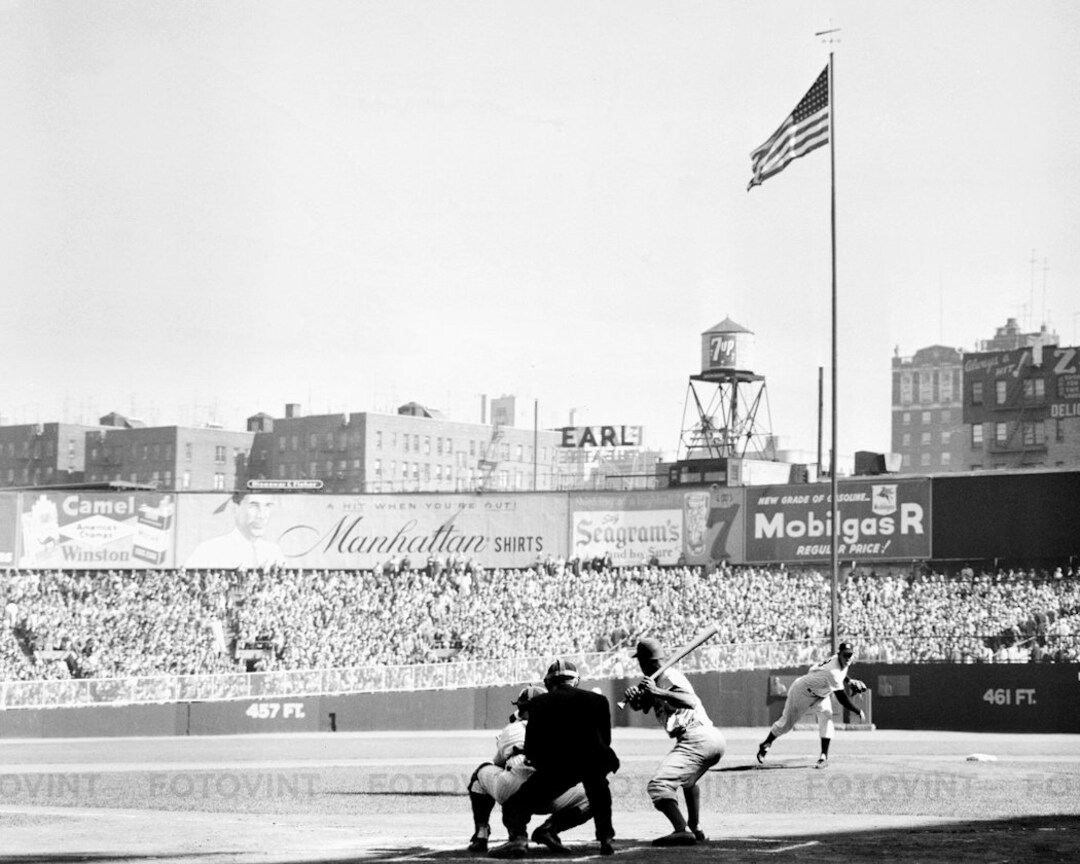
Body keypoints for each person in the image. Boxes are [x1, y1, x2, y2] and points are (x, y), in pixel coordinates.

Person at [490, 660, 619, 858]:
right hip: (592, 761)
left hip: (557, 767)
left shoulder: (538, 703)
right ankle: (605, 839)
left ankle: (518, 840)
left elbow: (533, 748)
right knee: (599, 794)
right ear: (576, 680)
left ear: (548, 682)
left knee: (514, 805)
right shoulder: (599, 701)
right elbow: (605, 741)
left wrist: (542, 769)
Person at [623, 638, 725, 846]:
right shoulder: (657, 679)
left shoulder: (669, 676)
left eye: (640, 661)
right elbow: (643, 706)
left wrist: (657, 691)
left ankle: (681, 830)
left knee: (659, 785)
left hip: (697, 737)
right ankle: (694, 827)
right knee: (688, 781)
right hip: (709, 738)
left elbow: (690, 701)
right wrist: (635, 699)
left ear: (645, 661)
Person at [466, 685, 591, 853]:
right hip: (549, 792)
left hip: (512, 791)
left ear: (521, 708)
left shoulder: (512, 729)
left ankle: (484, 835)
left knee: (481, 773)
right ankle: (550, 829)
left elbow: (497, 763)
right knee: (593, 796)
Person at [756, 641, 866, 769]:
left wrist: (849, 681)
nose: (847, 658)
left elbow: (843, 673)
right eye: (845, 655)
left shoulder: (841, 662)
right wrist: (857, 711)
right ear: (839, 654)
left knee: (827, 717)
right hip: (803, 692)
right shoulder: (833, 671)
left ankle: (823, 756)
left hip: (821, 695)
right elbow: (841, 698)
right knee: (786, 724)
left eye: (850, 655)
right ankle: (766, 744)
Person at [184, 492, 285, 570]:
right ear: (235, 509)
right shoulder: (208, 550)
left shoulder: (274, 551)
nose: (261, 515)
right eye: (253, 506)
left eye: (268, 506)